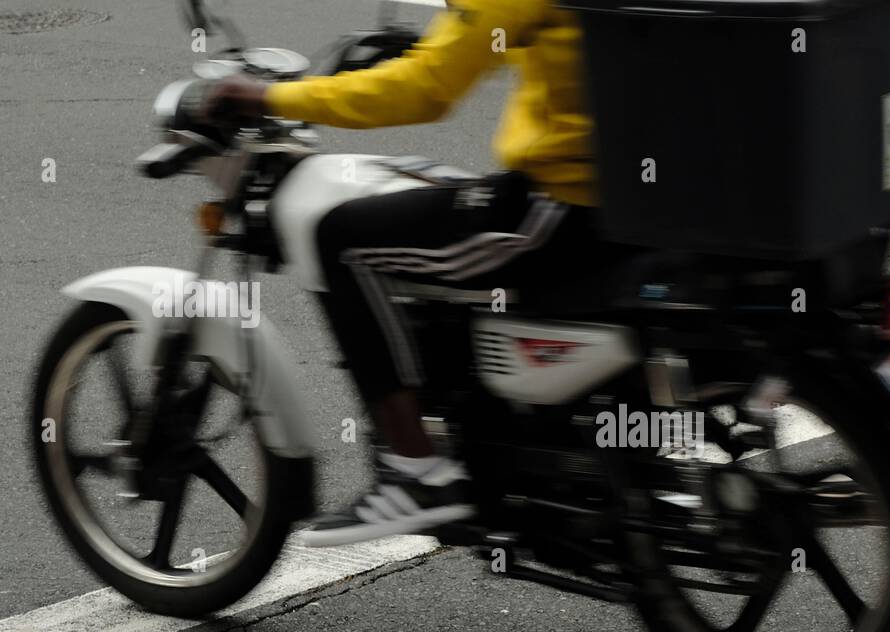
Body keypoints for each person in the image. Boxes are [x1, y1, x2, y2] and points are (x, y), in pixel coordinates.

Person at [206, 0, 597, 547]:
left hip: (562, 209)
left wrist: (269, 94)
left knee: (341, 238)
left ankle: (415, 471)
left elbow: (428, 87)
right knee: (443, 205)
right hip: (667, 210)